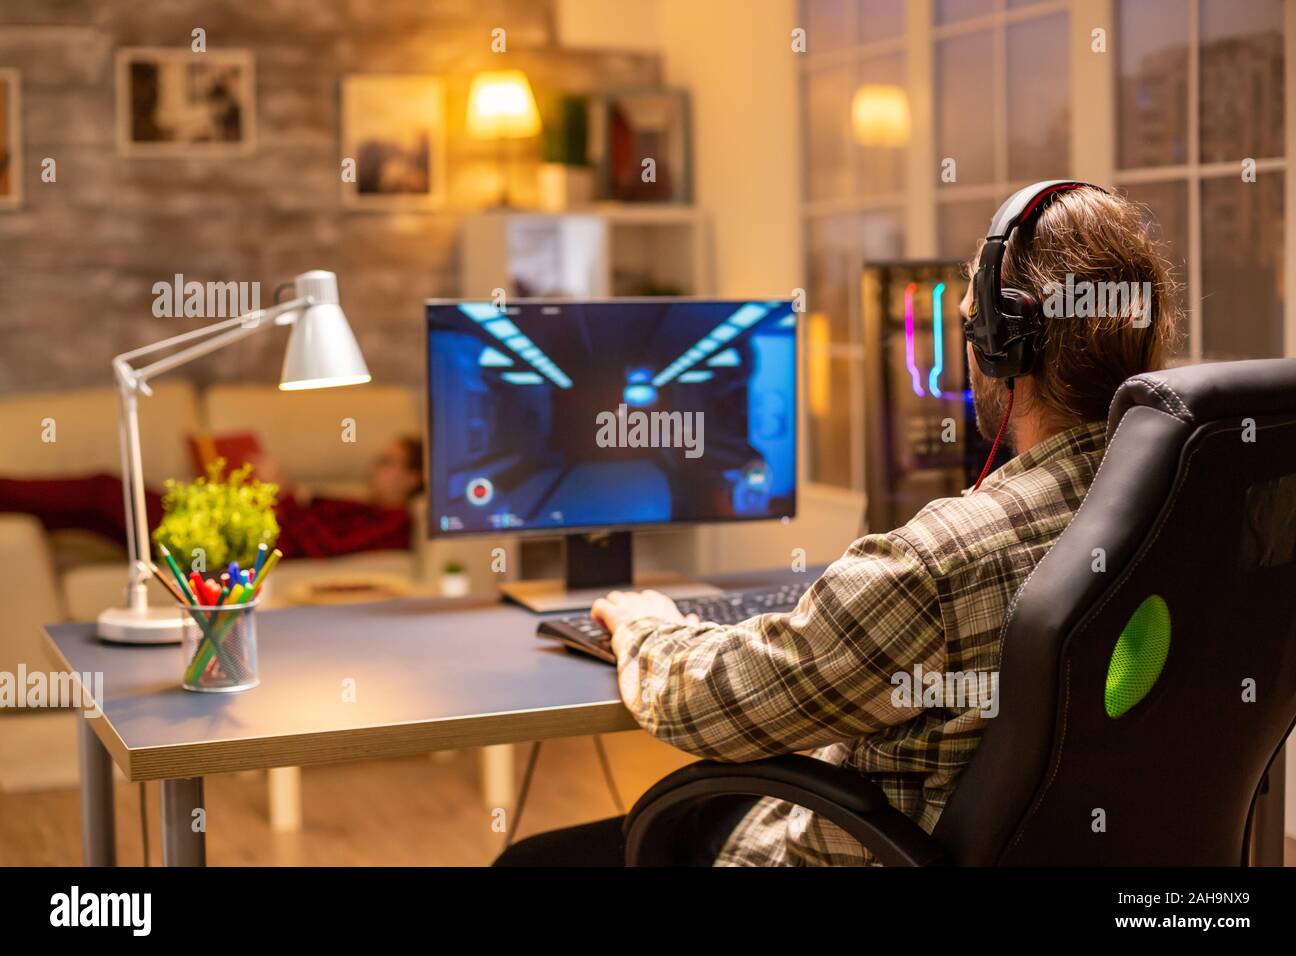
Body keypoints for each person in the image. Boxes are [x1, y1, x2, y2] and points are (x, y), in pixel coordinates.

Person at [495, 184, 1179, 867]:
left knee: (534, 861)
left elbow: (714, 705)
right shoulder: (1189, 511)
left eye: (971, 325)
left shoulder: (937, 563)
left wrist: (648, 627)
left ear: (1006, 348)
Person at [0, 435, 425, 561]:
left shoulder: (395, 523)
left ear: (413, 478)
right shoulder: (360, 504)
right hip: (224, 517)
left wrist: (282, 494)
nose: (374, 468)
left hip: (228, 543)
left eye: (387, 462)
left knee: (103, 490)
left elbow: (320, 546)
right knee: (93, 517)